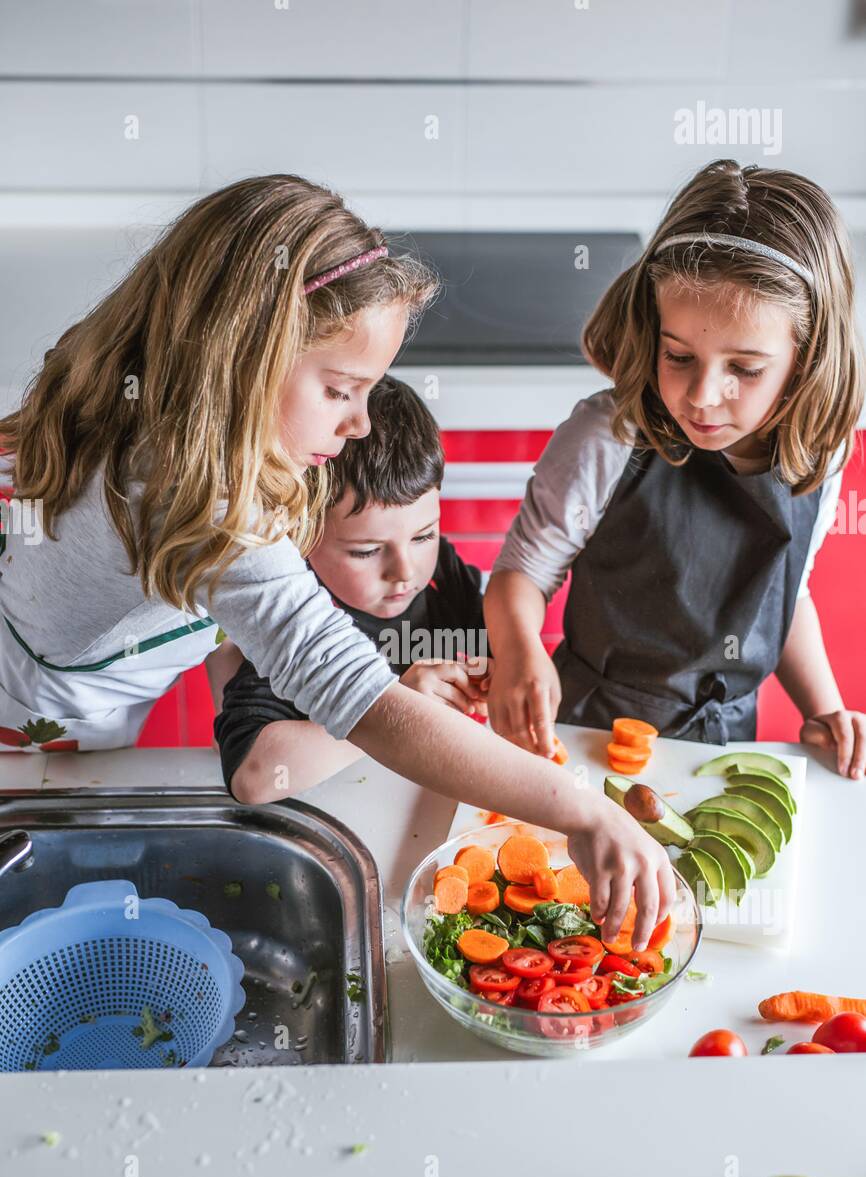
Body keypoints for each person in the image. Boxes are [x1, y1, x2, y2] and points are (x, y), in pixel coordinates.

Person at [0, 174, 673, 947]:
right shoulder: (204, 497)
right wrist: (581, 808)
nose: (358, 422)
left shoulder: (153, 390)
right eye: (340, 389)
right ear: (246, 359)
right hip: (37, 722)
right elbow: (363, 702)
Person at [484, 159, 866, 781]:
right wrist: (520, 653)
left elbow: (784, 598)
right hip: (588, 739)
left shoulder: (819, 457)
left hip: (724, 755)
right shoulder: (607, 439)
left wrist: (825, 710)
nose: (702, 395)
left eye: (743, 368)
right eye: (679, 355)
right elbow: (519, 577)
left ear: (809, 357)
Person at [215, 374, 491, 802]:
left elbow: (487, 642)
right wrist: (397, 709)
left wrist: (501, 669)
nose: (404, 571)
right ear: (301, 538)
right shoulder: (289, 621)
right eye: (366, 551)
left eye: (423, 537)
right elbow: (253, 778)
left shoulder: (439, 573)